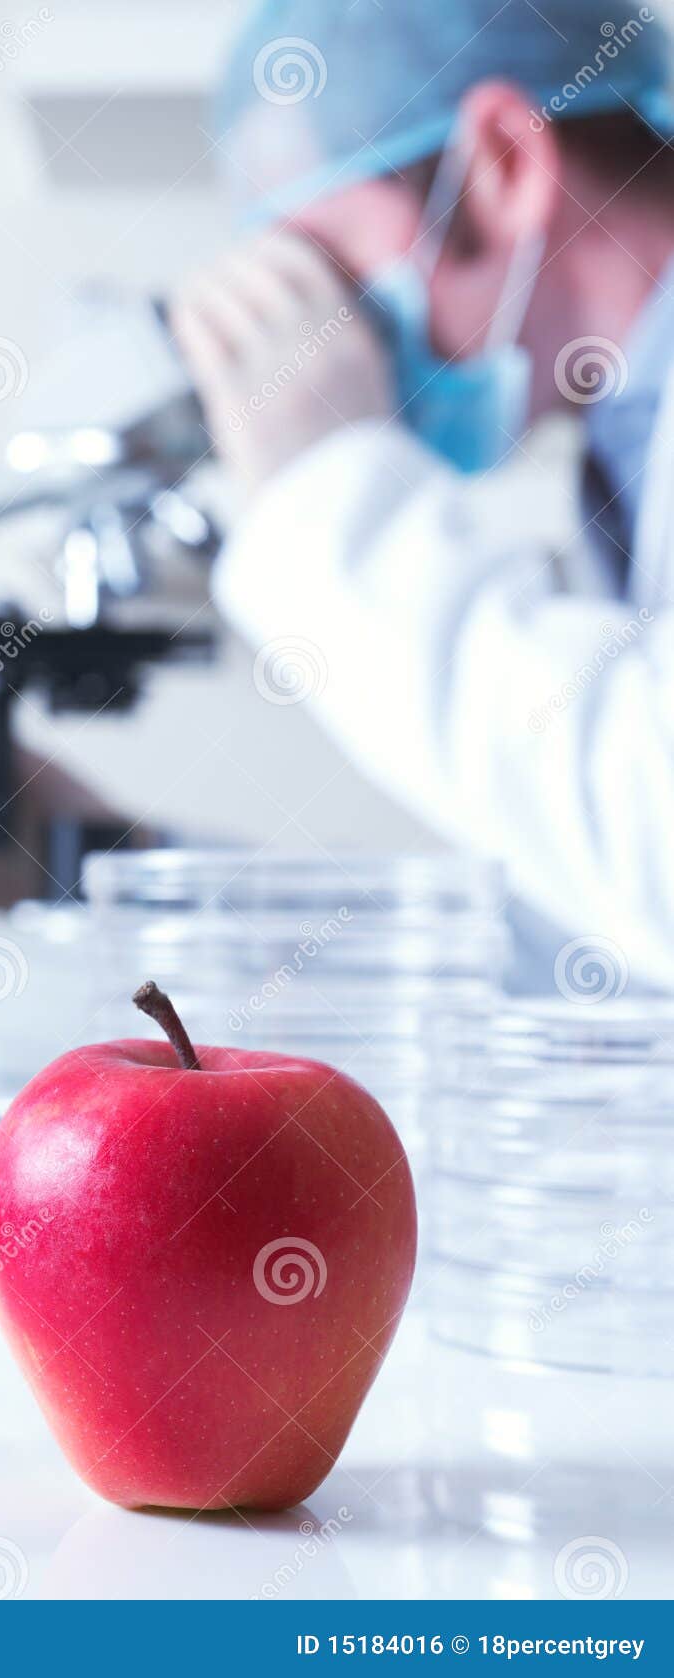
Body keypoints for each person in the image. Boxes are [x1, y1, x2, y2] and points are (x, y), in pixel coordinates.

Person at [171, 0, 674, 991]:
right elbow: (593, 933)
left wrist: (323, 500)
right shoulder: (614, 452)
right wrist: (122, 861)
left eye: (329, 278)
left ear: (499, 168)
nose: (325, 331)